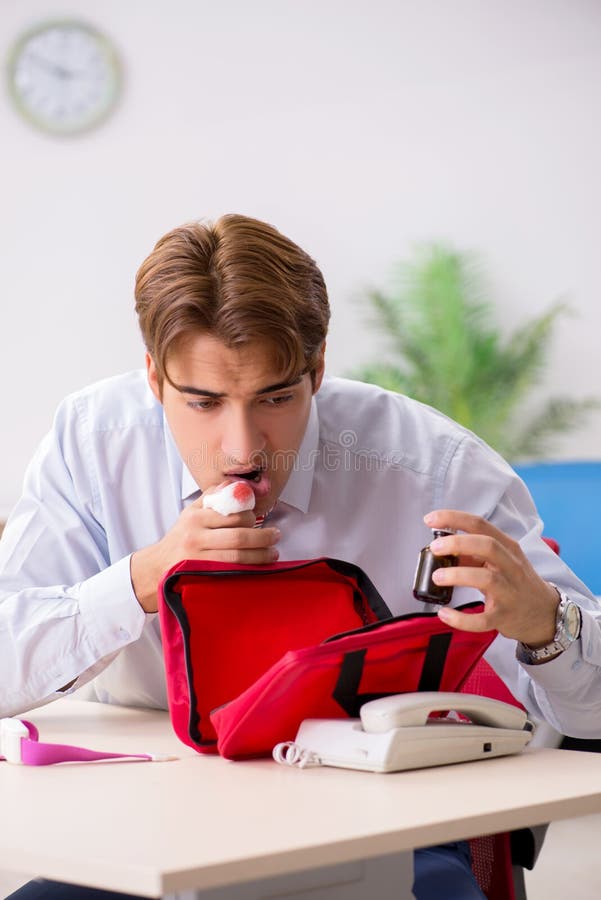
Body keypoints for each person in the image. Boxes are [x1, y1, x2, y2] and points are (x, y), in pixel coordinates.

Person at [1, 214, 600, 900]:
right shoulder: (92, 444)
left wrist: (547, 625)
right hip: (150, 814)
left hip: (385, 823)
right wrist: (141, 578)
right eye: (202, 402)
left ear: (317, 371)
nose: (241, 449)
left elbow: (590, 718)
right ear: (152, 379)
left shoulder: (433, 467)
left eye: (275, 397)